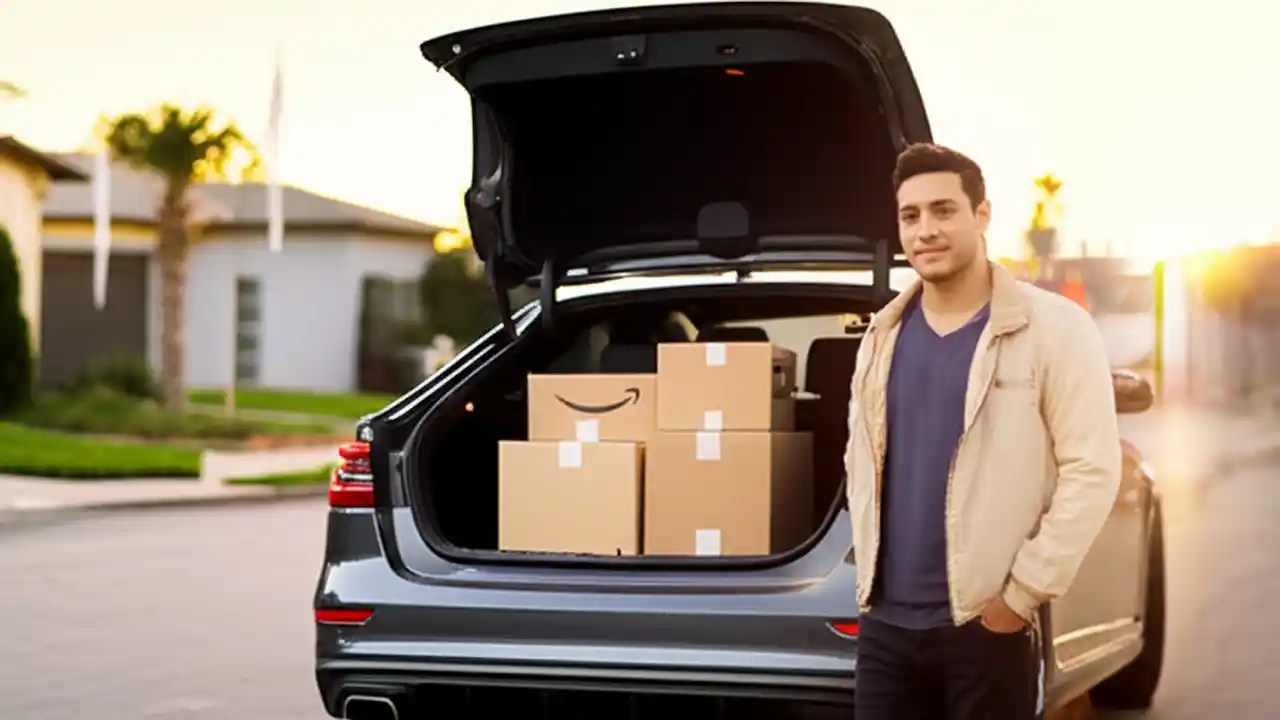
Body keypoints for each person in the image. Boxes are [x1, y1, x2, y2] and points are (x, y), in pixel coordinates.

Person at [844, 143, 1122, 718]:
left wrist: (1017, 600)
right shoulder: (882, 336)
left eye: (944, 210)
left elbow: (1092, 471)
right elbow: (859, 461)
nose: (926, 230)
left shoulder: (1053, 328)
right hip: (886, 631)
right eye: (910, 216)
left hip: (985, 627)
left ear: (982, 214)